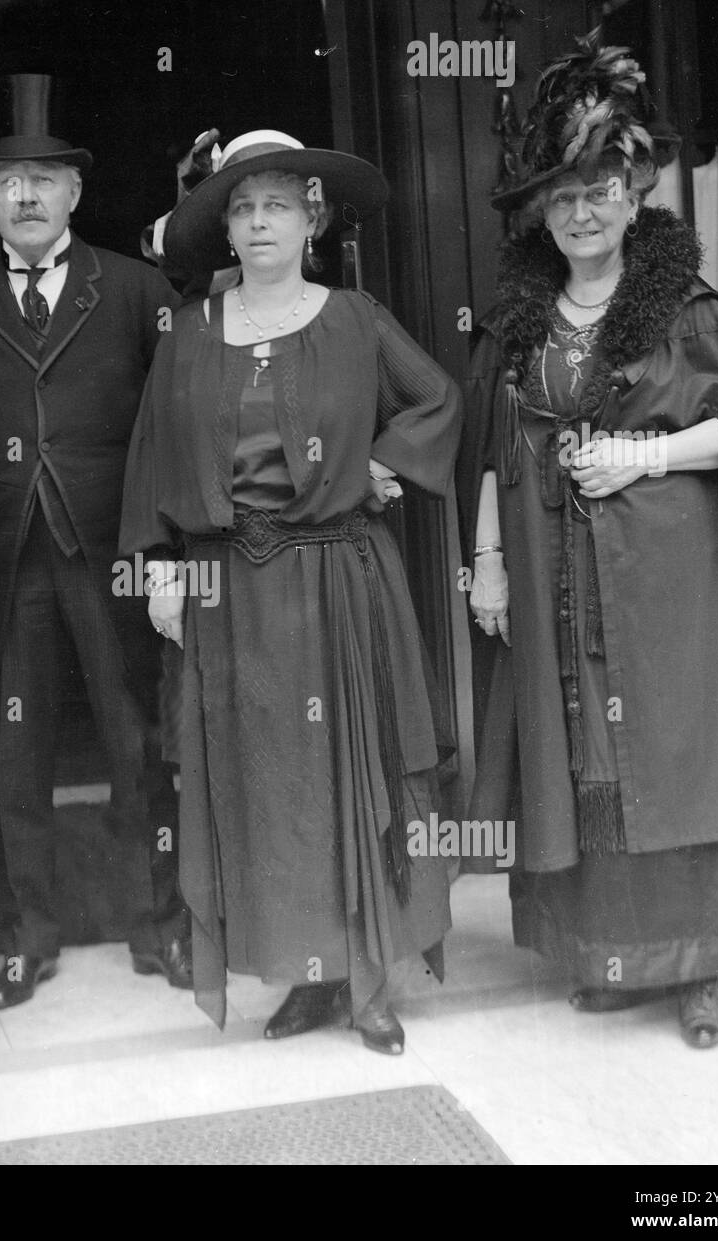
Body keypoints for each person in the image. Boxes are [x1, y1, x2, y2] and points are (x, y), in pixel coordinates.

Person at [459, 32, 718, 1048]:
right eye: (561, 196)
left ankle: (697, 965)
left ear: (635, 189)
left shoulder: (688, 311)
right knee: (584, 756)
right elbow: (496, 447)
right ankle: (609, 954)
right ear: (541, 210)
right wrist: (486, 559)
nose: (580, 212)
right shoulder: (521, 325)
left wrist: (638, 459)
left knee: (676, 749)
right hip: (560, 570)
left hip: (671, 579)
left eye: (599, 189)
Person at [120, 130, 463, 1053]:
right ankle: (305, 975)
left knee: (350, 775)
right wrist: (158, 567)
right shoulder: (188, 335)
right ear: (225, 228)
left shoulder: (354, 317)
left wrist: (385, 466)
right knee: (264, 786)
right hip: (230, 591)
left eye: (277, 203)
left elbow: (436, 399)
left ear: (312, 218)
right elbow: (152, 453)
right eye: (242, 206)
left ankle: (365, 981)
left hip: (338, 580)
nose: (259, 220)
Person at [0, 131, 190, 1008]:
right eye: (5, 182)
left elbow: (172, 419)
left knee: (134, 733)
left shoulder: (138, 289)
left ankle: (160, 923)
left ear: (74, 193)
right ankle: (26, 933)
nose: (24, 196)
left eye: (42, 180)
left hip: (115, 545)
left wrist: (162, 541)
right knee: (14, 746)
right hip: (8, 552)